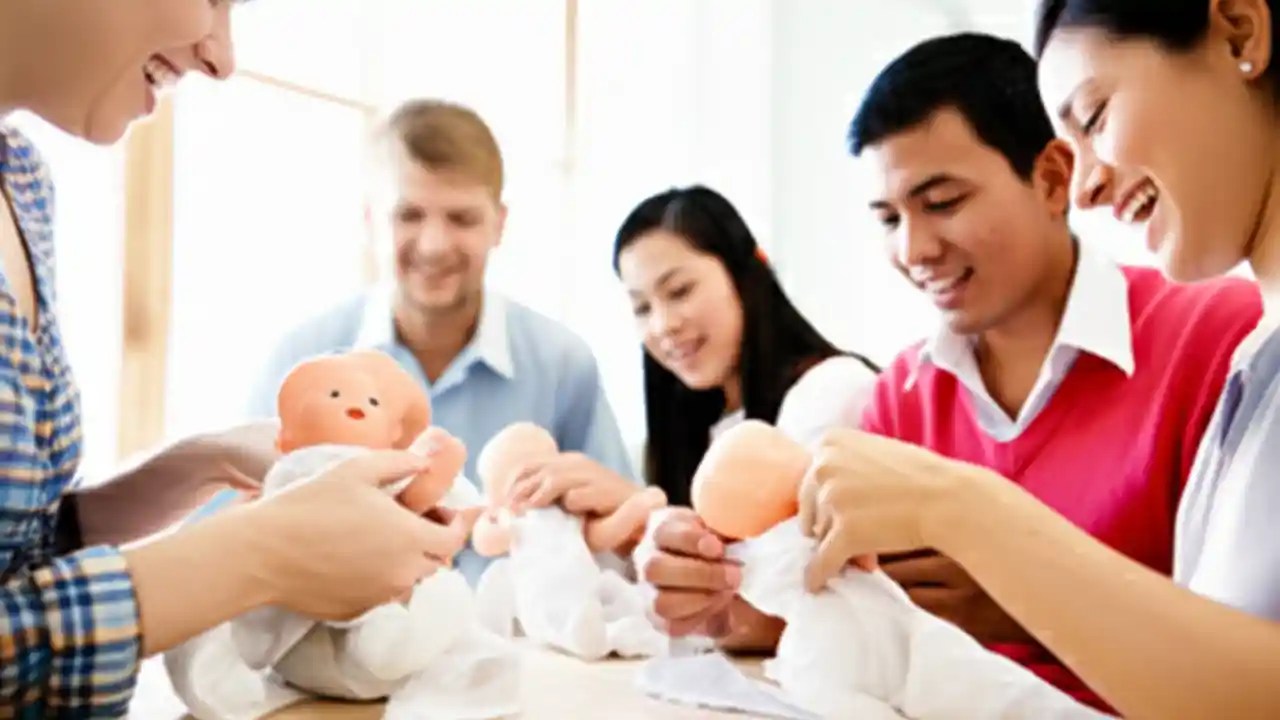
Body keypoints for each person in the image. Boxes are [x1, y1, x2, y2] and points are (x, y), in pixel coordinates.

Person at [639, 33, 1265, 712]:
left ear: (1053, 179)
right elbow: (846, 614)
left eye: (942, 203)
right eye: (888, 218)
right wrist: (723, 595)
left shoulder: (1222, 340)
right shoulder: (899, 403)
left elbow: (1242, 651)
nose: (914, 250)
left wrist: (1021, 600)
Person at [0, 2, 464, 713]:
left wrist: (205, 461)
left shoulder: (21, 184)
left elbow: (18, 556)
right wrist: (255, 555)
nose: (221, 56)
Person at [220, 99, 636, 585]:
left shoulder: (563, 365)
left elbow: (620, 551)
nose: (435, 245)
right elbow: (230, 534)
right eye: (410, 215)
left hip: (518, 648)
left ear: (499, 225)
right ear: (373, 220)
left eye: (462, 219)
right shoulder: (301, 359)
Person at [541, 185, 878, 650]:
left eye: (679, 291)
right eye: (642, 307)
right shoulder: (708, 427)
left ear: (744, 273)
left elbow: (798, 598)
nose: (662, 325)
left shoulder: (832, 392)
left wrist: (647, 517)